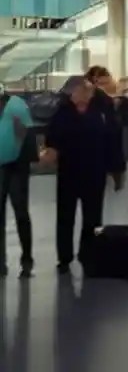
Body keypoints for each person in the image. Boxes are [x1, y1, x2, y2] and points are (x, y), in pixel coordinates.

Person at [46, 75, 126, 274]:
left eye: (74, 92)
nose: (72, 96)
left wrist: (117, 170)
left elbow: (113, 141)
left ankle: (89, 254)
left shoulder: (102, 110)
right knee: (65, 216)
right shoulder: (62, 112)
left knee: (93, 217)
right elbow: (52, 139)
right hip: (68, 171)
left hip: (95, 171)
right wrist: (49, 154)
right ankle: (64, 258)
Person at [0, 88, 36, 277]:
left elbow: (28, 134)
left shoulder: (17, 105)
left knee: (21, 212)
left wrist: (20, 133)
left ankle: (27, 260)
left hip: (17, 166)